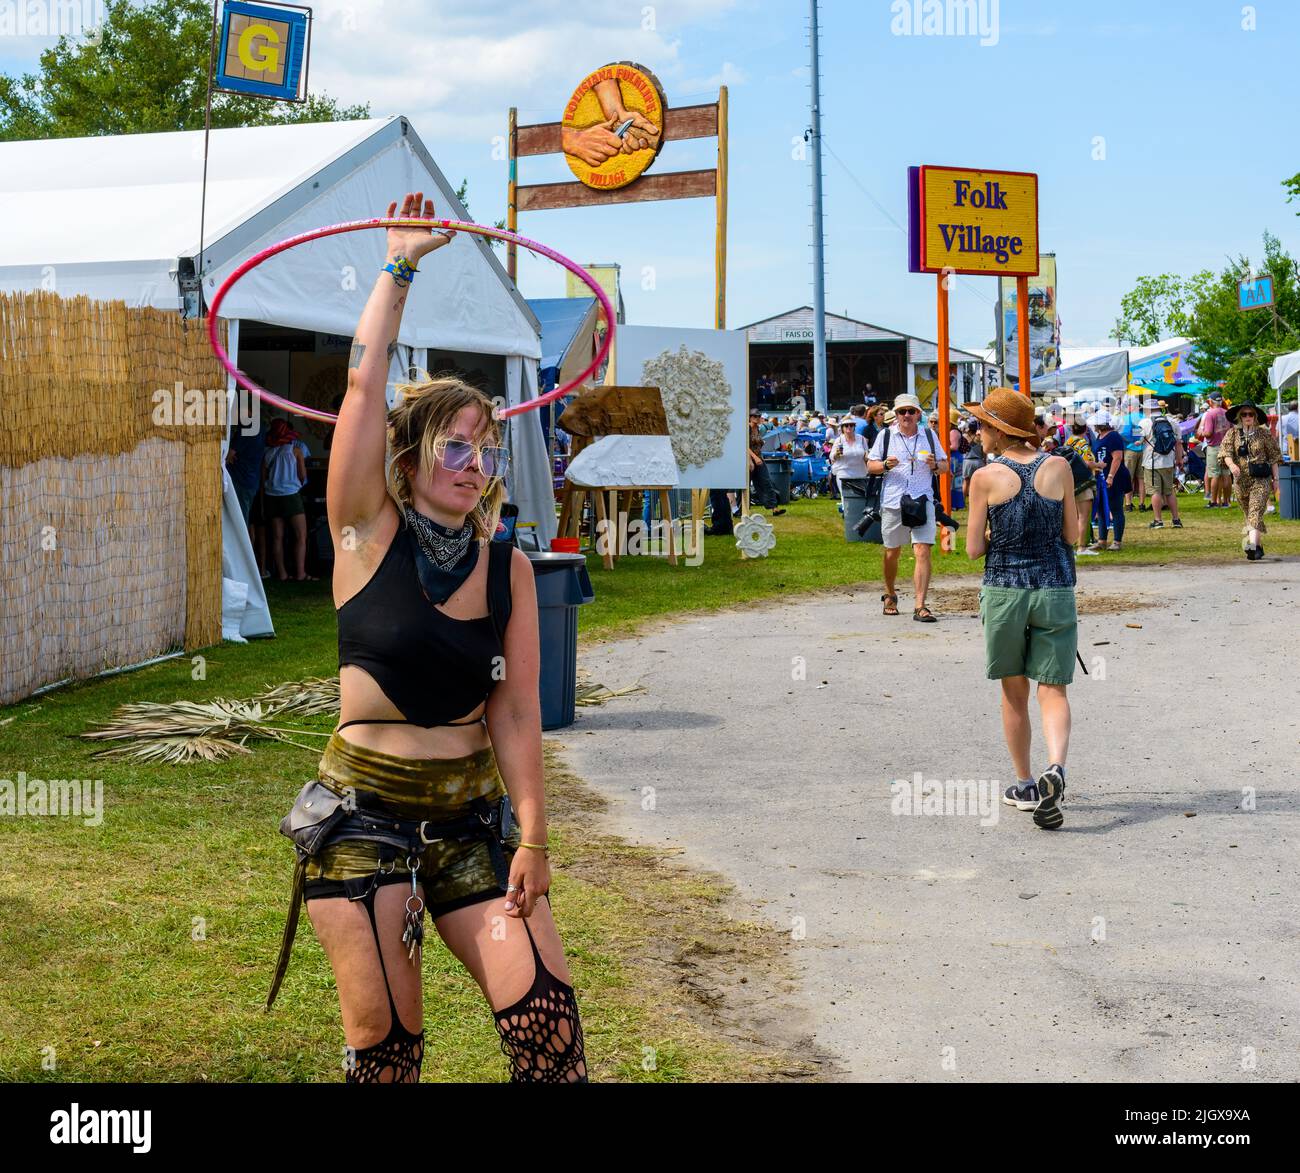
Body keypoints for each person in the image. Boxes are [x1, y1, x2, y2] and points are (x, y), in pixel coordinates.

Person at [268, 192, 587, 1083]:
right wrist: (399, 266)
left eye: (485, 450)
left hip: (469, 817)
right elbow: (364, 384)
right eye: (454, 446)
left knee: (552, 1043)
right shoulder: (363, 530)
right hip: (362, 818)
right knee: (389, 1060)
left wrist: (532, 834)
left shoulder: (508, 569)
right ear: (406, 459)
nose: (474, 466)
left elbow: (517, 709)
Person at [964, 388, 1079, 831]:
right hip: (1053, 588)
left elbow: (974, 548)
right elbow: (1071, 534)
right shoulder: (1059, 466)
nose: (977, 433)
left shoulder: (984, 477)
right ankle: (1057, 767)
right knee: (1053, 689)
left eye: (982, 426)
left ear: (998, 430)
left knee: (1014, 693)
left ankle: (1026, 784)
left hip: (1005, 591)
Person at [866, 393, 946, 622]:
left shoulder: (929, 435)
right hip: (893, 500)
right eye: (902, 412)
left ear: (918, 414)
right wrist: (883, 465)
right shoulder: (886, 435)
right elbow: (870, 466)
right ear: (897, 415)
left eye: (911, 411)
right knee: (892, 552)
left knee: (922, 550)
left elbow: (945, 465)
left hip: (922, 499)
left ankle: (920, 605)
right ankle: (890, 593)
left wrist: (935, 465)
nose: (907, 416)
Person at [1220, 401, 1283, 560]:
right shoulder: (1232, 434)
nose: (1247, 417)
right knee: (1249, 514)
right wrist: (1232, 464)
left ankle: (1251, 545)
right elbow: (1225, 453)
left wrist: (1276, 479)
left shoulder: (1264, 434)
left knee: (1255, 511)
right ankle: (1259, 547)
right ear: (1239, 417)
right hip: (1241, 481)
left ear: (1255, 417)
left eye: (1250, 414)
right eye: (1244, 414)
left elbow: (1274, 457)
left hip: (1261, 479)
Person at [262, 418, 315, 581]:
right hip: (291, 495)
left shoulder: (268, 453)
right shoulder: (296, 450)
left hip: (272, 496)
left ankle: (282, 574)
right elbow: (302, 475)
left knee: (277, 537)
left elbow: (263, 478)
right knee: (300, 536)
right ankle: (300, 573)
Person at [1139, 403, 1185, 529]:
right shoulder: (1171, 421)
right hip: (1168, 461)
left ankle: (1158, 520)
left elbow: (1138, 440)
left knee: (1155, 491)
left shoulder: (1145, 422)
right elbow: (1178, 442)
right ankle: (1176, 520)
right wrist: (1179, 459)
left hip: (1152, 462)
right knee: (1169, 491)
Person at [1091, 411, 1130, 550]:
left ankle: (1117, 542)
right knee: (1101, 508)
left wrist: (1111, 476)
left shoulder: (1114, 436)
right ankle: (1102, 541)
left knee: (1116, 508)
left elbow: (1117, 457)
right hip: (1101, 477)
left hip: (1115, 477)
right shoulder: (1099, 436)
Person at [747, 410, 787, 516]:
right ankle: (742, 509)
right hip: (749, 460)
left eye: (758, 416)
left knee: (767, 482)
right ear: (750, 417)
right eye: (754, 416)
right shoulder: (747, 429)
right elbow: (744, 446)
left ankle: (774, 508)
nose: (757, 417)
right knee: (746, 486)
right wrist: (754, 458)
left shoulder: (759, 429)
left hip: (759, 459)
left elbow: (757, 444)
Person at [1197, 391, 1231, 506]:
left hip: (1214, 447)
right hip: (1226, 447)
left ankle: (1213, 501)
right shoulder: (1227, 413)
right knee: (1226, 474)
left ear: (1210, 401)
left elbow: (1208, 433)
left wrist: (1201, 432)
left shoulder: (1210, 414)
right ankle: (1226, 502)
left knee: (1214, 475)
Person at [1117, 398, 1147, 511]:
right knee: (1141, 478)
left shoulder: (1127, 418)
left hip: (1130, 449)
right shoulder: (1144, 417)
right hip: (1143, 449)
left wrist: (1129, 442)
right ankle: (1141, 503)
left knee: (1128, 477)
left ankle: (1128, 503)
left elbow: (1124, 433)